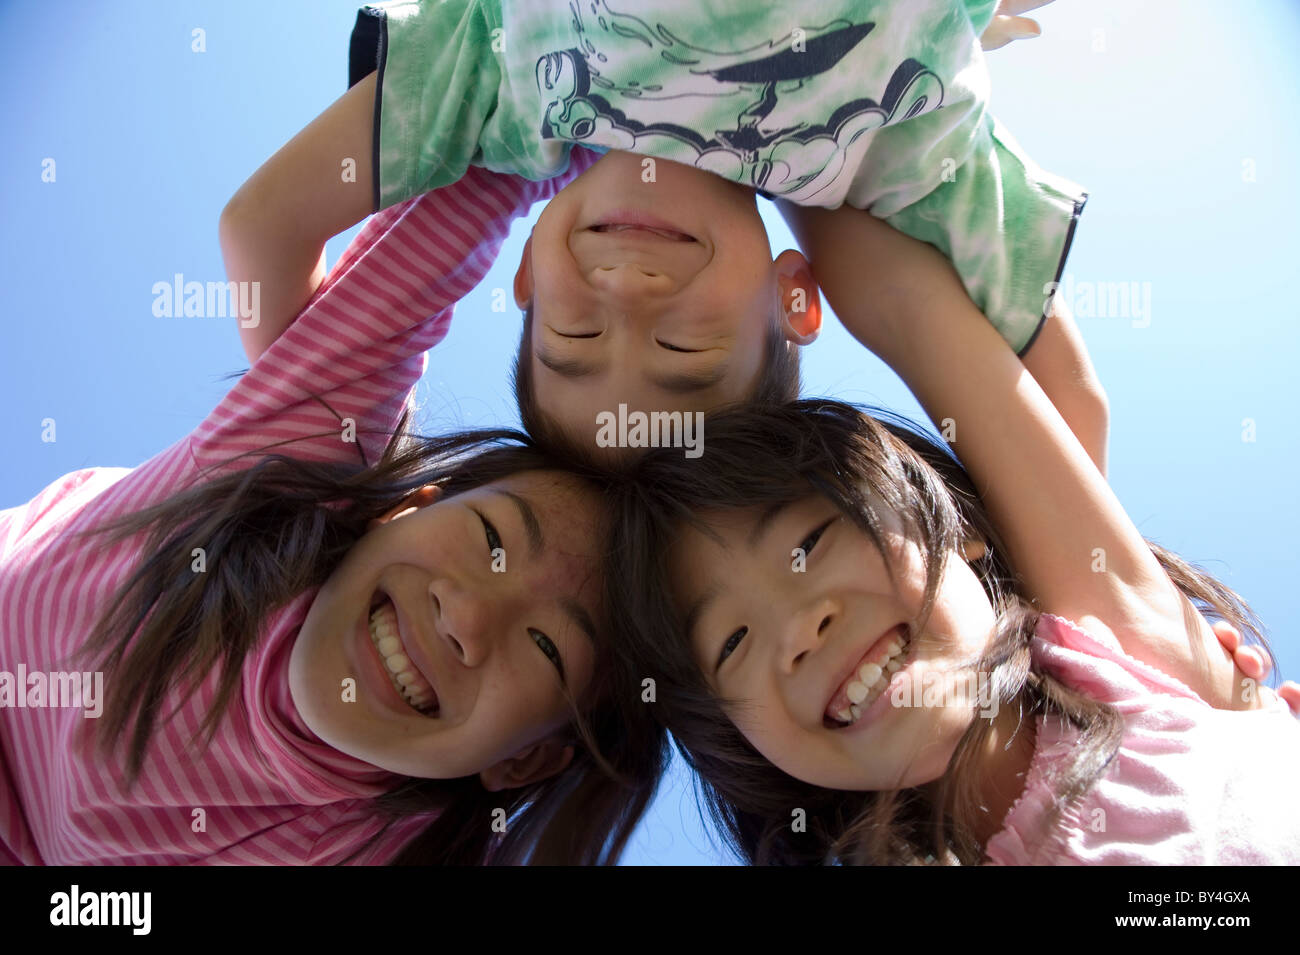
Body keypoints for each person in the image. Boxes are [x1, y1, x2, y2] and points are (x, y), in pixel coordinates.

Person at [0, 165, 661, 865]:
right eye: (489, 538)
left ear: (524, 761)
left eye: (548, 648)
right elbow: (477, 183)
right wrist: (613, 105)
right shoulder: (297, 476)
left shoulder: (376, 852)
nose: (464, 619)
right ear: (403, 510)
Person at [603, 203, 1300, 864]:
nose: (800, 629)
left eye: (810, 543)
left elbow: (906, 296)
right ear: (747, 749)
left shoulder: (1129, 659)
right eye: (730, 644)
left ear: (956, 524)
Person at [223, 1, 1108, 471]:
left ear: (527, 271)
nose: (631, 295)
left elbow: (259, 225)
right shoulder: (876, 150)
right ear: (797, 298)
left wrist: (350, 482)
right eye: (684, 344)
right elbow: (1071, 406)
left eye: (576, 335)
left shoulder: (508, 93)